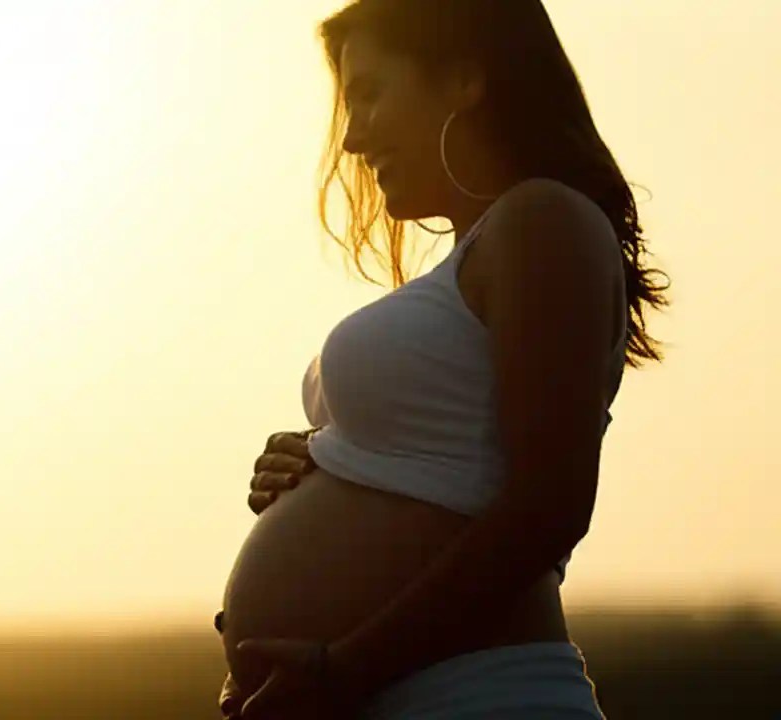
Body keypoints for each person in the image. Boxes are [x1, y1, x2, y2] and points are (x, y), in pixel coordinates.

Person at [214, 1, 670, 718]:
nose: (355, 139)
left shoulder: (542, 219)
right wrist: (327, 460)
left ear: (464, 79)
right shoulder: (486, 250)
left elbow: (548, 506)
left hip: (482, 699)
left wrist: (341, 671)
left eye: (368, 94)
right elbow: (457, 465)